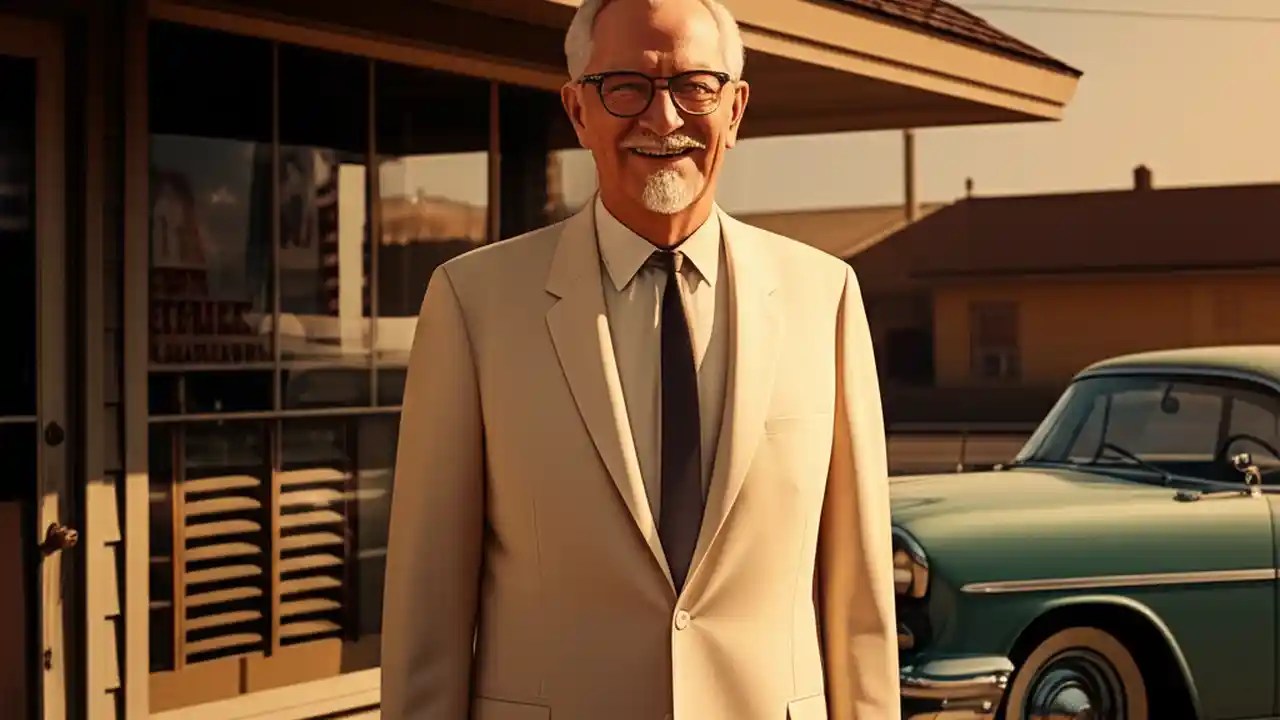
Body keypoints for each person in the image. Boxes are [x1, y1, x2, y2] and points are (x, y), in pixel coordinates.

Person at [380, 0, 899, 717]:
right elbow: (426, 613)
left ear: (736, 107)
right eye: (625, 85)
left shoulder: (826, 298)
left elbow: (859, 607)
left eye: (695, 86)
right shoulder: (474, 305)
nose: (663, 119)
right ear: (577, 110)